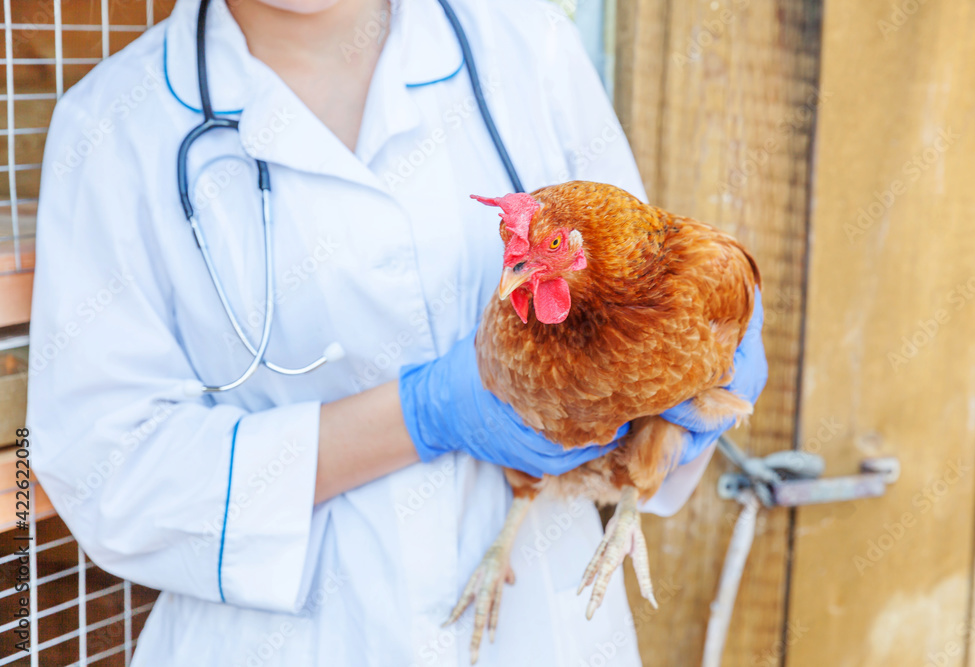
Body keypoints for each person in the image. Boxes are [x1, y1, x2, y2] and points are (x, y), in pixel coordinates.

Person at [27, 0, 768, 664]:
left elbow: (642, 273)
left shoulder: (524, 39)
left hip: (542, 617)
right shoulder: (114, 125)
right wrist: (420, 414)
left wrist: (698, 350)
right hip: (286, 636)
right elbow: (107, 468)